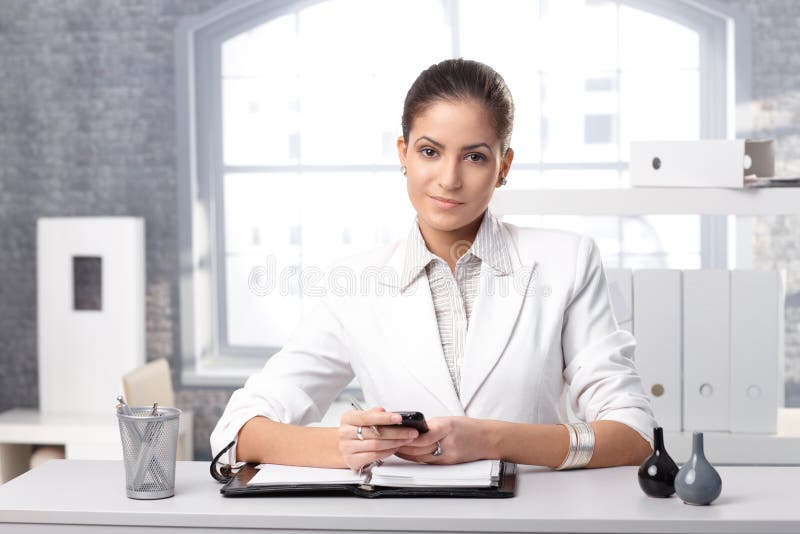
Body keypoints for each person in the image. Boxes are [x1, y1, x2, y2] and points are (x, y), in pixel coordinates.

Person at [211, 58, 656, 472]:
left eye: (475, 156)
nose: (449, 178)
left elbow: (633, 434)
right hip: (406, 520)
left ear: (504, 165)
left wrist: (490, 439)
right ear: (403, 153)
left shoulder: (567, 261)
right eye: (429, 152)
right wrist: (346, 447)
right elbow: (236, 431)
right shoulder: (355, 286)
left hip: (530, 517)